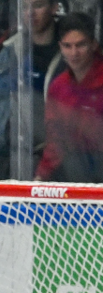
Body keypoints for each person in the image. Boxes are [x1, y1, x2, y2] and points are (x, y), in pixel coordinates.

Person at [0, 0, 62, 175]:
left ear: (55, 7)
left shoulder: (69, 54)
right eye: (24, 7)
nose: (30, 12)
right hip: (9, 160)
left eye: (38, 5)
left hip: (53, 165)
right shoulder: (9, 53)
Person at [36, 13, 103, 182]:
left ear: (93, 44)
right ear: (60, 47)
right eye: (67, 46)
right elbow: (55, 141)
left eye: (80, 45)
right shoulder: (58, 87)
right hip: (75, 176)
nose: (74, 53)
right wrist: (40, 178)